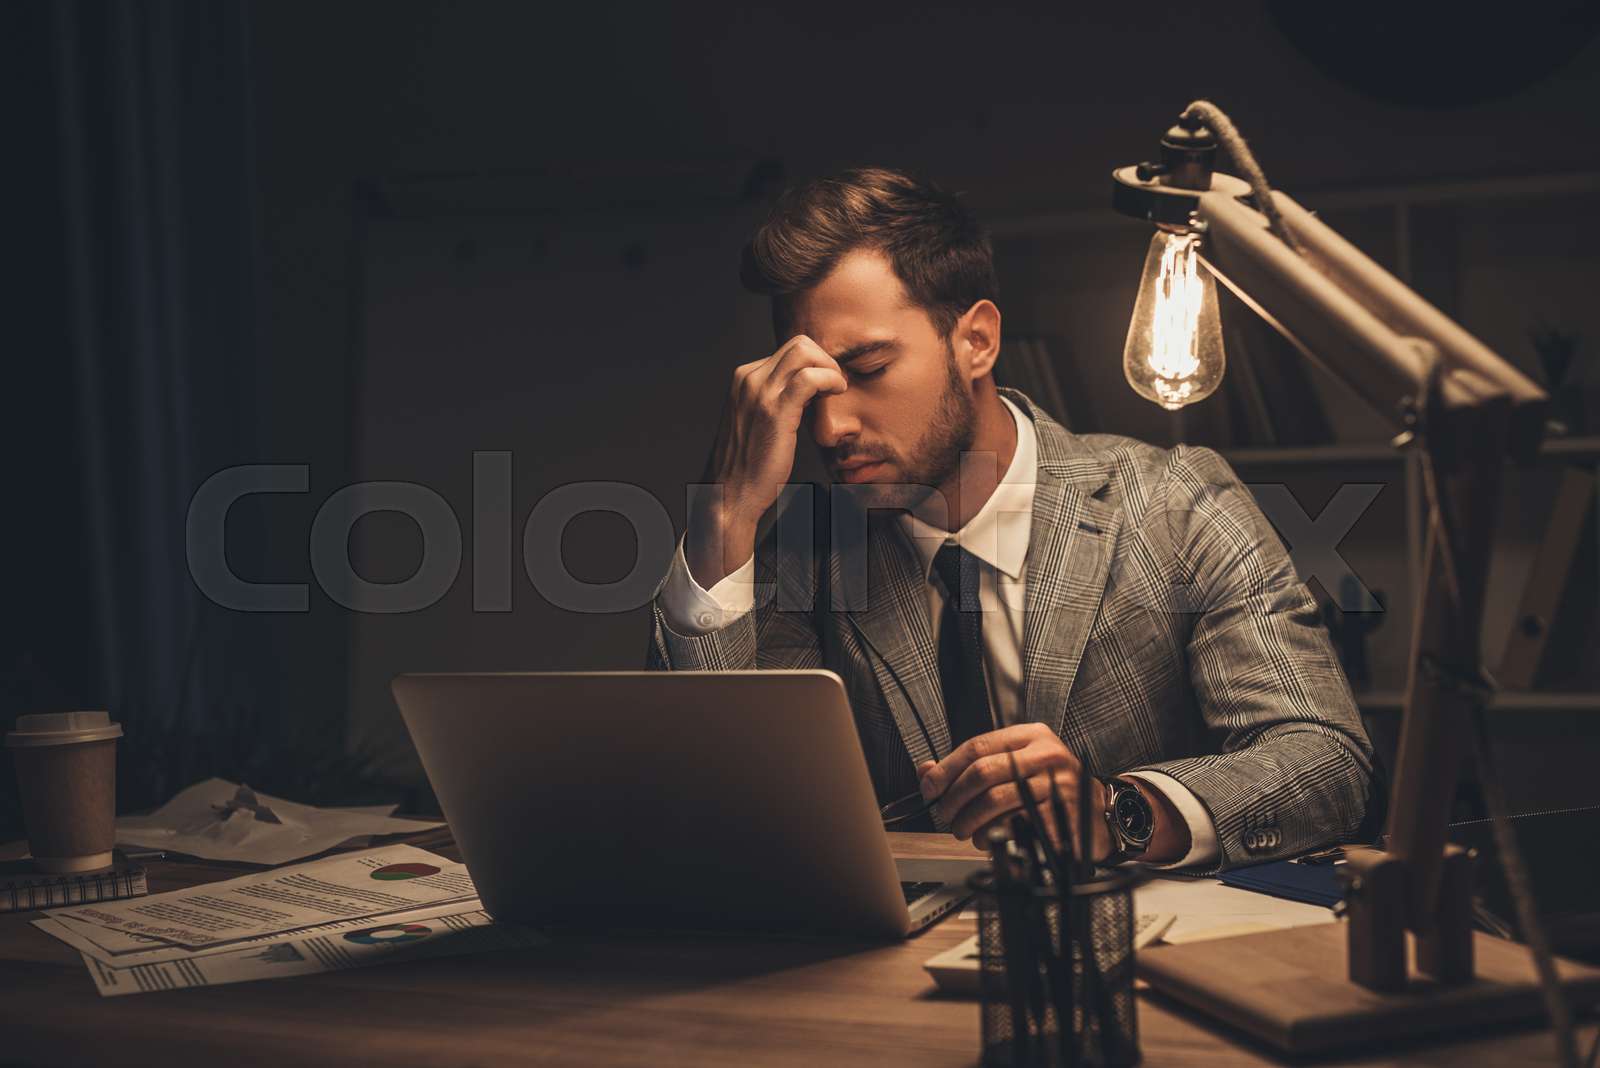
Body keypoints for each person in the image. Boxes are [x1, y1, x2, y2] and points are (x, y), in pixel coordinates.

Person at [646, 167, 1377, 870]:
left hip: (1142, 961)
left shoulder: (1177, 505)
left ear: (977, 341)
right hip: (900, 978)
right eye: (810, 386)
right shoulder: (804, 550)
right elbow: (714, 802)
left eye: (867, 369)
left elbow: (1324, 759)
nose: (830, 427)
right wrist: (724, 514)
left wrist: (1118, 812)